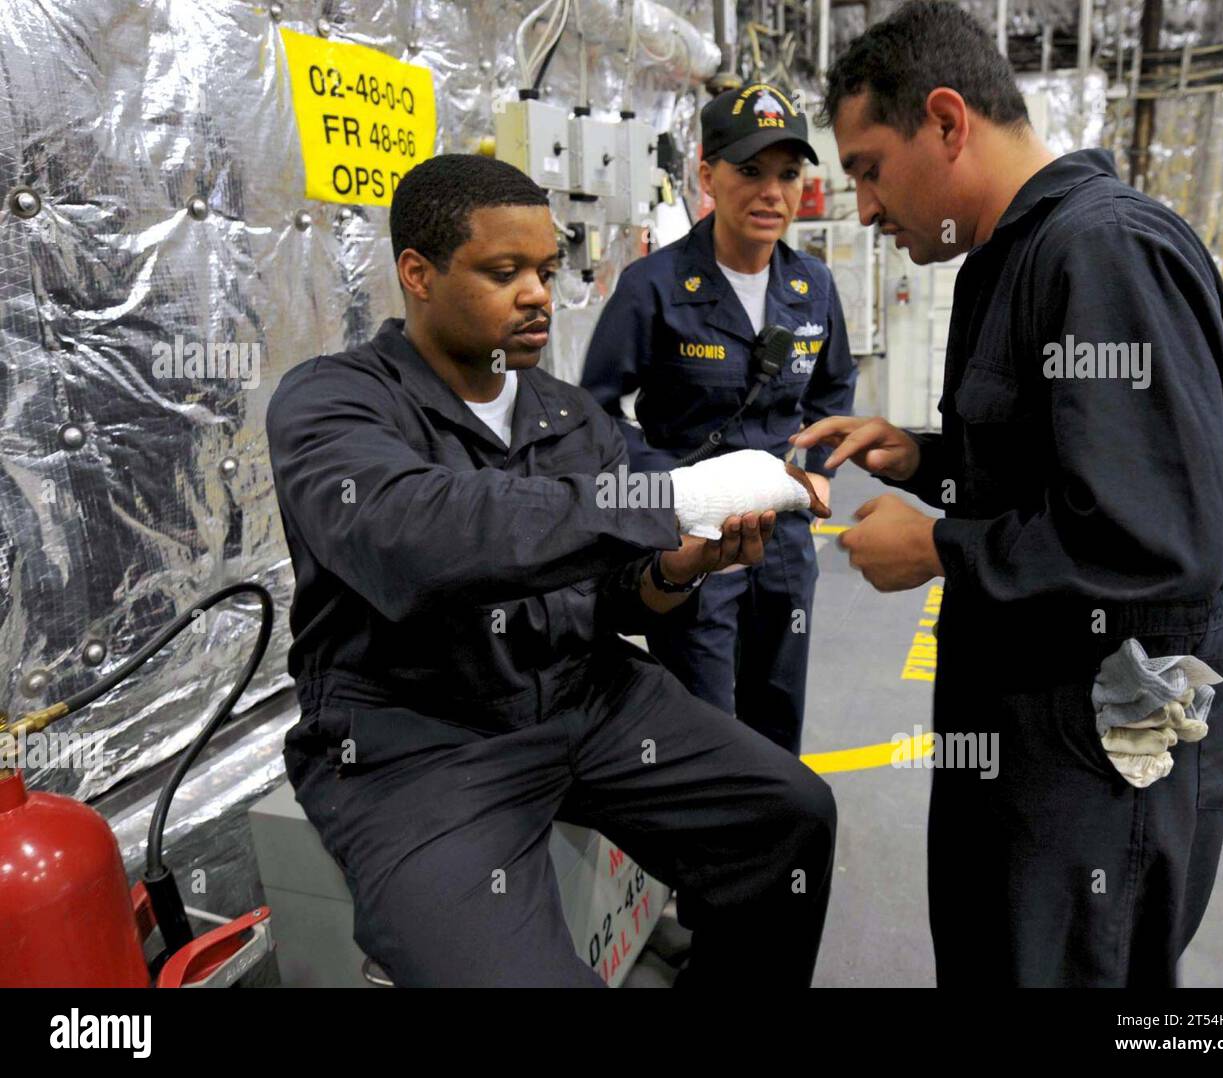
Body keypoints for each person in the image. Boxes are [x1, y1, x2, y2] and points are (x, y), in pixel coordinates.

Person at [265, 153, 837, 987]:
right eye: (505, 272)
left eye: (545, 269)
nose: (537, 292)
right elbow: (413, 539)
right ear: (417, 275)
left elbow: (613, 595)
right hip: (421, 739)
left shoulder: (567, 413)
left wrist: (670, 572)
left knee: (790, 817)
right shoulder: (333, 403)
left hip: (585, 696)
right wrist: (672, 497)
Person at [794, 0, 1223, 987]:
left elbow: (1156, 541)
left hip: (1106, 734)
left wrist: (935, 549)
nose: (864, 210)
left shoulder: (1099, 252)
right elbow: (1058, 463)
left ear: (948, 122)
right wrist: (919, 455)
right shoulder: (1005, 258)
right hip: (1027, 720)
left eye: (870, 168)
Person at [582, 82, 858, 756]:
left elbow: (833, 386)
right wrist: (670, 489)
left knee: (778, 707)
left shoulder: (812, 287)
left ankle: (774, 847)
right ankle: (706, 854)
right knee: (704, 725)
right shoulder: (654, 286)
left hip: (786, 543)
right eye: (750, 171)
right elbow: (592, 410)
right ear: (708, 176)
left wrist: (813, 471)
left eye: (788, 175)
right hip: (697, 537)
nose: (772, 193)